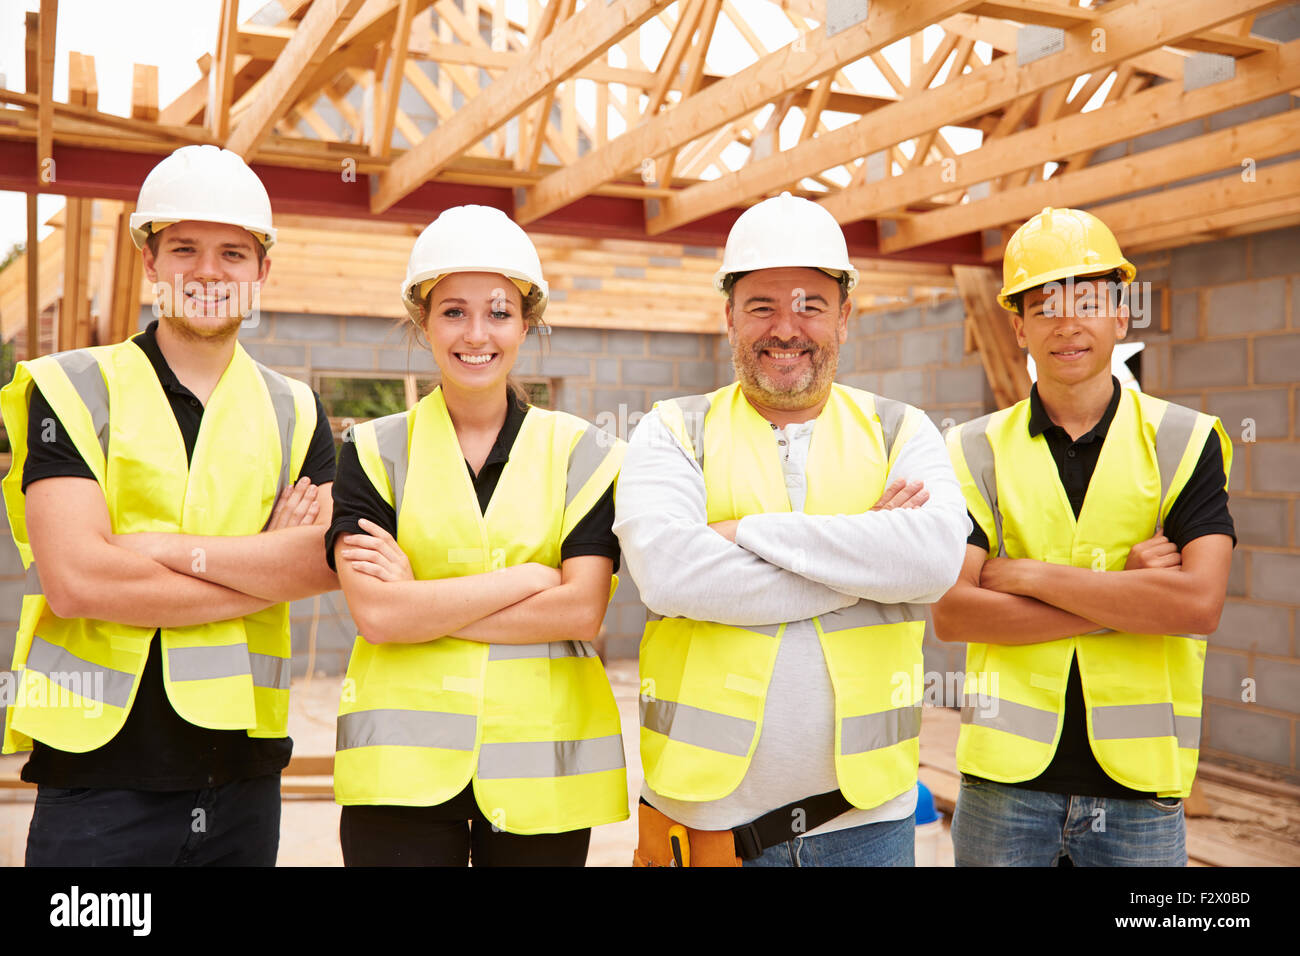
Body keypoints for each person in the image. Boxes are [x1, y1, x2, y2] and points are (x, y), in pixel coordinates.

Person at [0, 144, 339, 866]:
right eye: (183, 248)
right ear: (150, 262)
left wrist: (145, 548)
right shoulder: (72, 389)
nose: (209, 271)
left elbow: (319, 565)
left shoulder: (296, 410)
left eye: (233, 253)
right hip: (97, 779)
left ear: (262, 272)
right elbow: (76, 579)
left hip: (244, 776)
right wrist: (259, 570)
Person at [613, 192, 970, 867]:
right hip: (710, 819)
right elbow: (670, 575)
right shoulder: (672, 430)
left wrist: (740, 530)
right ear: (728, 318)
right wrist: (866, 560)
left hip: (866, 819)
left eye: (810, 304)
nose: (787, 327)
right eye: (762, 307)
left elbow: (932, 562)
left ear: (845, 318)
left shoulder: (901, 430)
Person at [934, 206, 1235, 867]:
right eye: (1043, 307)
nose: (1066, 323)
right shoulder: (972, 448)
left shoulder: (1186, 441)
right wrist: (1127, 597)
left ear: (1121, 316)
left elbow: (1196, 607)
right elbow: (954, 613)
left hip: (1139, 795)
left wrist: (1025, 574)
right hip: (1003, 786)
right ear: (1017, 327)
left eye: (1088, 302)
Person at [327, 205, 627, 867]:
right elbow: (377, 613)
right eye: (452, 311)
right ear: (423, 324)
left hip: (541, 771)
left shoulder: (583, 451)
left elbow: (582, 609)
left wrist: (422, 604)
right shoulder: (371, 452)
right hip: (399, 774)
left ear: (526, 323)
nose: (476, 334)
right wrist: (526, 581)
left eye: (498, 311)